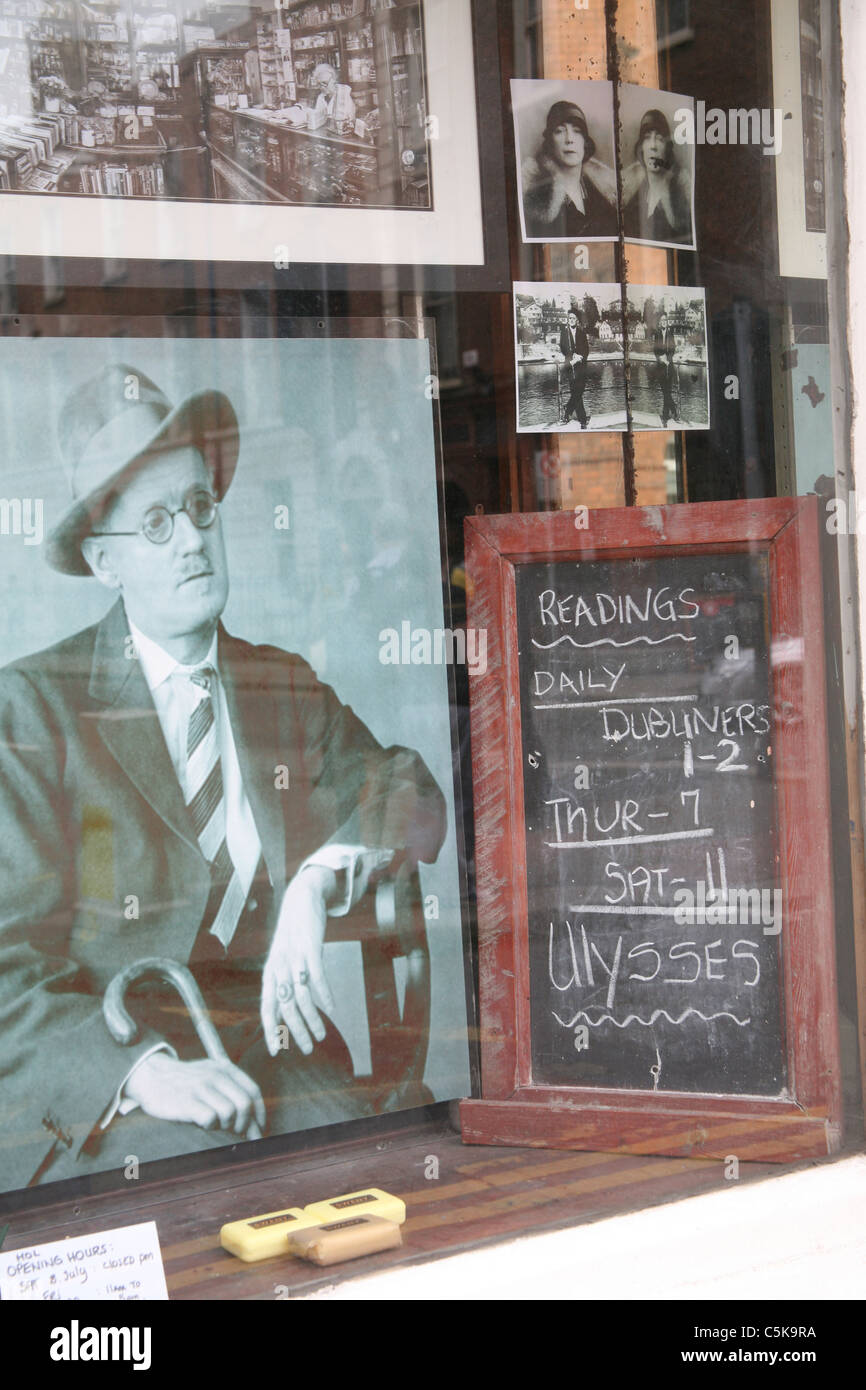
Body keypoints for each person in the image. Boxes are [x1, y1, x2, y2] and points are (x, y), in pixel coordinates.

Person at [0, 363, 445, 1190]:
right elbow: (6, 967)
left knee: (381, 1189)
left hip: (275, 1049)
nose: (193, 539)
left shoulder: (280, 685)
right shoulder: (33, 710)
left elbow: (407, 792)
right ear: (105, 562)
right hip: (122, 1075)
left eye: (200, 509)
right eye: (157, 524)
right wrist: (140, 1072)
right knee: (197, 1215)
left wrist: (315, 882)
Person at [521, 99, 617, 240]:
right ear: (550, 143)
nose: (569, 139)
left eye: (577, 131)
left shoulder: (604, 199)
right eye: (559, 131)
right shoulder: (536, 201)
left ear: (585, 143)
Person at [622, 108, 693, 247]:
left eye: (659, 139)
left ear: (667, 148)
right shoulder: (633, 200)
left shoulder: (681, 192)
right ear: (641, 148)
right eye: (647, 138)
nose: (653, 146)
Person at [559, 308, 591, 428]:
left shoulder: (582, 333)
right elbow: (562, 348)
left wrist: (580, 356)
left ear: (577, 320)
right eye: (569, 318)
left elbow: (586, 349)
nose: (571, 320)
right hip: (571, 365)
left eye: (573, 318)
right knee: (576, 392)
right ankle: (582, 419)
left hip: (581, 366)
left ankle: (567, 410)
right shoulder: (564, 332)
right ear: (568, 320)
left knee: (579, 390)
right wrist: (572, 355)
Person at [652, 312, 679, 426]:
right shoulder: (657, 334)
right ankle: (673, 409)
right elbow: (655, 350)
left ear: (667, 322)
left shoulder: (670, 334)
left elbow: (673, 349)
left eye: (665, 320)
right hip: (660, 367)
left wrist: (668, 359)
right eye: (661, 320)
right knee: (665, 392)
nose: (663, 322)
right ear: (659, 322)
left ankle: (665, 415)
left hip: (669, 366)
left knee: (667, 392)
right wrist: (659, 358)